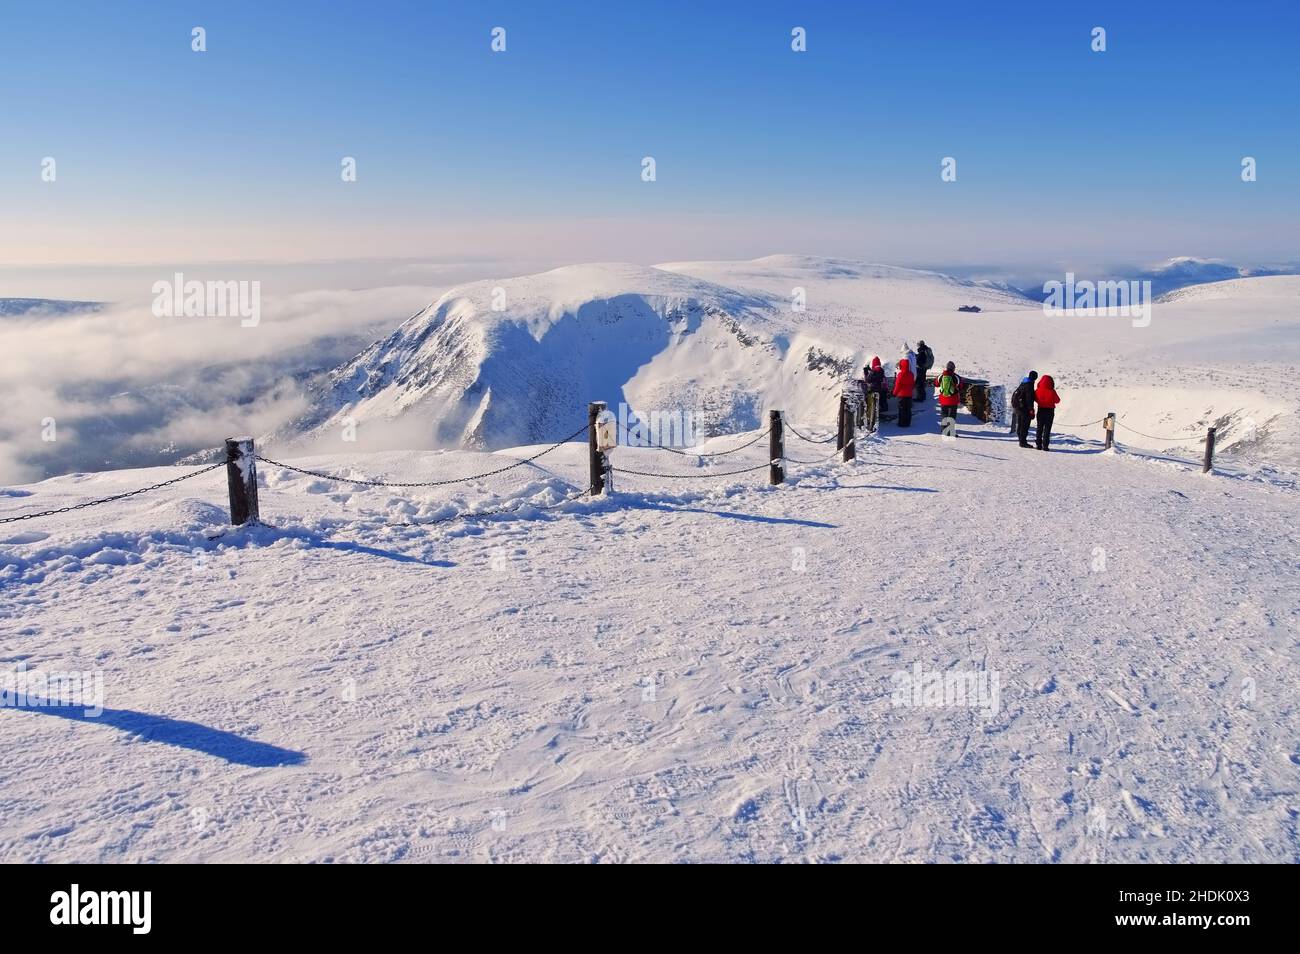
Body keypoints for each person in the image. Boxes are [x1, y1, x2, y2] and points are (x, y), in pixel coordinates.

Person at [1011, 371, 1037, 447]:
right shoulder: (1029, 386)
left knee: (1020, 424)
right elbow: (1029, 399)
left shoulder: (1023, 383)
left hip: (1019, 408)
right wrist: (1031, 410)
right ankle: (1023, 442)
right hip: (1024, 409)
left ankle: (1021, 440)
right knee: (1025, 426)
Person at [1034, 373, 1061, 450]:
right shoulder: (1052, 391)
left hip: (1041, 410)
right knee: (1047, 429)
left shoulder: (1037, 390)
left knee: (1039, 427)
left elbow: (1035, 399)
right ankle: (1045, 445)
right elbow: (1057, 401)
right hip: (1050, 411)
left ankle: (1038, 444)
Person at [934, 360, 961, 434]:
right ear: (953, 368)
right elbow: (961, 386)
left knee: (944, 414)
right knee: (951, 416)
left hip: (943, 399)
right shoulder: (956, 376)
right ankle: (950, 432)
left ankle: (944, 430)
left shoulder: (942, 375)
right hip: (953, 399)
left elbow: (936, 384)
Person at [893, 357, 915, 427]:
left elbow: (897, 385)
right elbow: (912, 384)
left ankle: (902, 423)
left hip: (901, 395)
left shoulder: (900, 374)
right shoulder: (911, 374)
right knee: (908, 409)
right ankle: (908, 423)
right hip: (909, 395)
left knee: (902, 410)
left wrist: (894, 393)